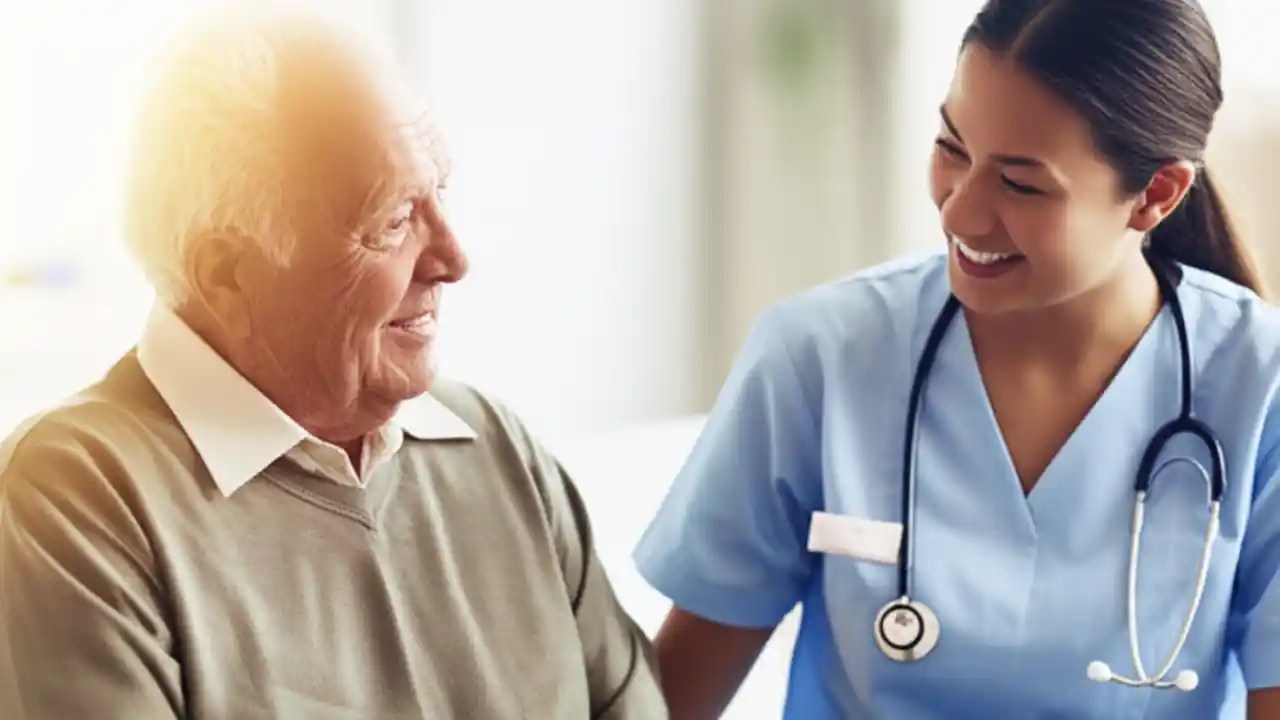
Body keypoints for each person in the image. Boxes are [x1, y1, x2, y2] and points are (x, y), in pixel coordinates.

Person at [0, 9, 664, 719]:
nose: (452, 259)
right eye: (391, 220)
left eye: (439, 191)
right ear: (227, 274)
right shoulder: (72, 500)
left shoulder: (501, 452)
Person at [633, 0, 1280, 717]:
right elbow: (671, 701)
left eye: (1020, 183)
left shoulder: (1259, 386)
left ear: (1155, 195)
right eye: (951, 148)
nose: (959, 213)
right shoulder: (822, 357)